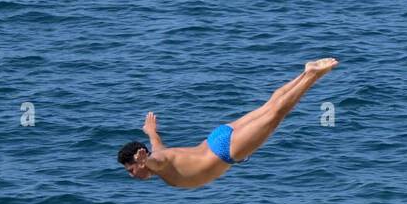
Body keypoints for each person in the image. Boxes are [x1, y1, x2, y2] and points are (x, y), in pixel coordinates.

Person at [117, 59, 338, 189]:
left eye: (131, 169)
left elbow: (154, 159)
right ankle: (306, 73)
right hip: (217, 137)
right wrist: (151, 131)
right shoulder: (159, 155)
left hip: (223, 151)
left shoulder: (155, 163)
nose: (133, 174)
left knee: (276, 114)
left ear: (140, 159)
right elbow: (157, 146)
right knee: (270, 106)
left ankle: (311, 76)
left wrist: (145, 160)